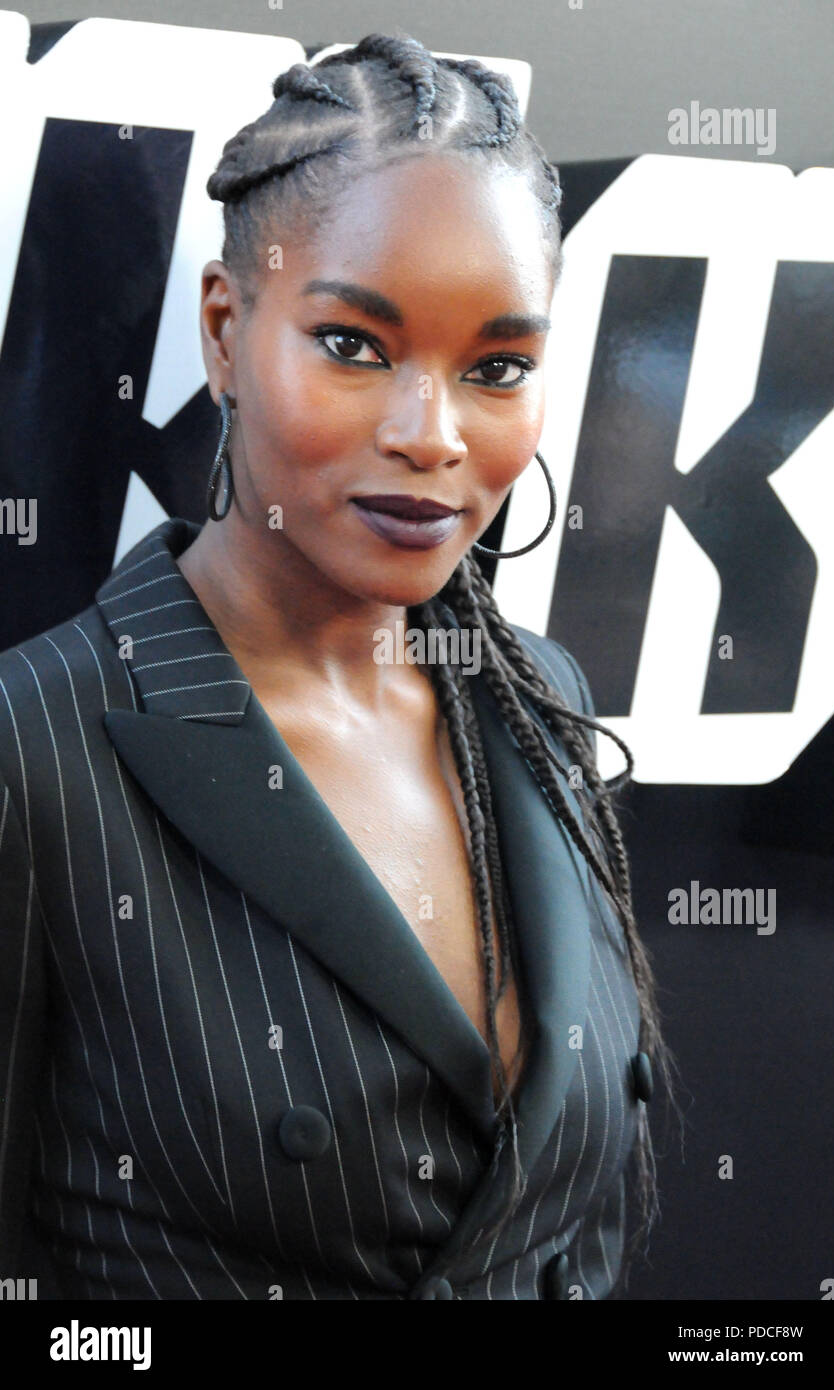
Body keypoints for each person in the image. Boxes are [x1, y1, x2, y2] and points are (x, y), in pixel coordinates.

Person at [0, 31, 672, 1300]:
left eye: (497, 369)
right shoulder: (36, 748)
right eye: (355, 345)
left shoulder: (542, 710)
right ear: (224, 328)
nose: (430, 434)